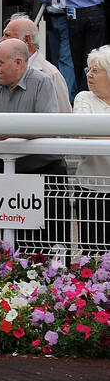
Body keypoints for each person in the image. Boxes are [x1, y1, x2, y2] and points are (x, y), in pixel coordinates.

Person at [0, 39, 66, 175]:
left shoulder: (42, 82)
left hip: (44, 169)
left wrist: (9, 133)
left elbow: (49, 129)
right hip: (2, 166)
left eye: (0, 63)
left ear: (18, 63)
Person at [73, 46, 110, 249]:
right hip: (91, 188)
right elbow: (83, 130)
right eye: (89, 70)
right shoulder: (84, 97)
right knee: (93, 248)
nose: (90, 75)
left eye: (96, 71)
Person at [2, 16, 72, 111]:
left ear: (27, 39)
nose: (1, 40)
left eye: (7, 35)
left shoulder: (50, 74)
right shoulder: (0, 71)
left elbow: (64, 116)